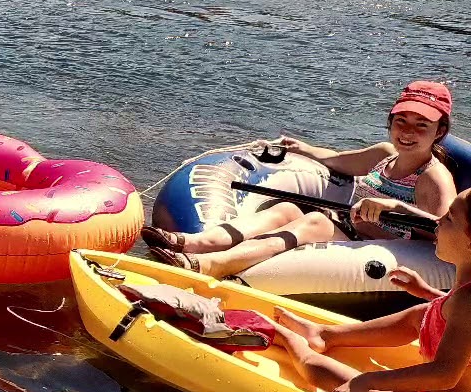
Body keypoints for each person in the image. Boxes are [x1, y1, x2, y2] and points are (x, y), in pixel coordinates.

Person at [144, 80, 458, 279]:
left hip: (382, 247)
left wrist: (396, 208)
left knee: (315, 223)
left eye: (421, 125)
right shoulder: (384, 154)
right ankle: (199, 242)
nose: (407, 132)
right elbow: (337, 159)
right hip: (350, 229)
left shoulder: (433, 178)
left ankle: (214, 264)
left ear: (439, 131)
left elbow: (445, 232)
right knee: (286, 210)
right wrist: (304, 149)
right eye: (401, 121)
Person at [268, 188, 471, 392]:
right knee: (423, 313)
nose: (438, 220)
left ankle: (294, 344)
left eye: (450, 218)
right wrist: (427, 293)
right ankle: (325, 335)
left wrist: (367, 380)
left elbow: (445, 374)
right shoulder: (465, 292)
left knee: (325, 372)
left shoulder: (468, 299)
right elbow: (459, 318)